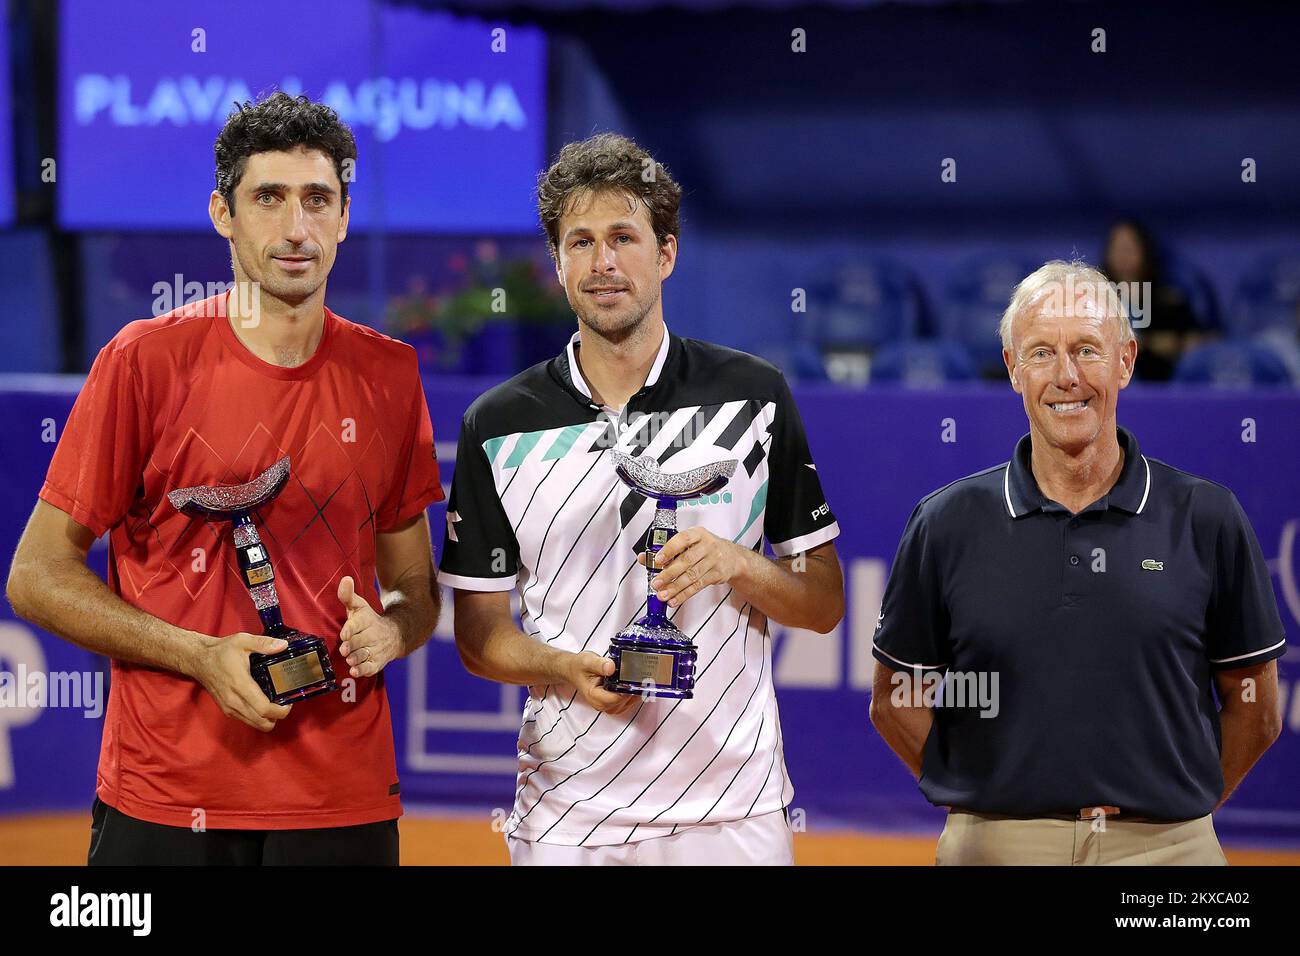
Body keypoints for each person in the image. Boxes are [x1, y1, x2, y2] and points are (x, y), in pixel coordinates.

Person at [5, 93, 443, 865]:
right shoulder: (142, 361)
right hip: (165, 800)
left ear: (344, 216)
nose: (295, 227)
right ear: (222, 213)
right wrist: (198, 656)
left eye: (318, 200)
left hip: (339, 803)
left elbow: (414, 587)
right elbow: (36, 578)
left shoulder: (390, 374)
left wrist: (393, 628)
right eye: (267, 198)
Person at [439, 133, 844, 865]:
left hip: (732, 813)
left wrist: (741, 567)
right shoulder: (498, 424)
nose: (603, 263)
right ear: (557, 264)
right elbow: (478, 635)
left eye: (623, 237)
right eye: (580, 242)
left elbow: (824, 605)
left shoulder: (754, 396)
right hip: (566, 815)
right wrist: (562, 668)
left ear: (666, 254)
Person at [870, 259, 1285, 865]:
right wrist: (987, 801)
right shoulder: (945, 523)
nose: (1066, 376)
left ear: (1126, 361)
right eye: (1040, 353)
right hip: (994, 847)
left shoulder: (1208, 517)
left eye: (1087, 349)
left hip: (1169, 851)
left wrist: (1176, 812)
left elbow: (1256, 707)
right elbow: (895, 699)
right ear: (1013, 370)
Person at [1101, 218, 1204, 381]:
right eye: (1118, 247)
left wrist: (1175, 345)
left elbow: (1198, 341)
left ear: (1144, 251)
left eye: (1129, 248)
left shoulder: (1168, 299)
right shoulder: (1095, 301)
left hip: (1161, 385)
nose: (1123, 255)